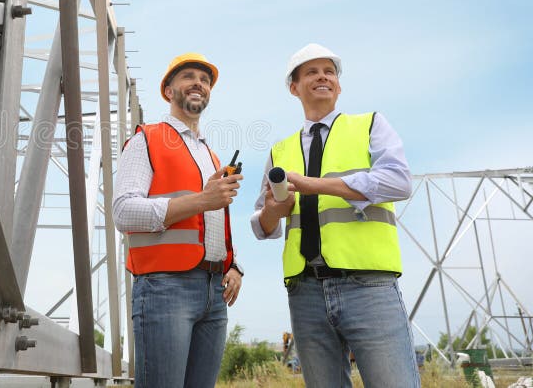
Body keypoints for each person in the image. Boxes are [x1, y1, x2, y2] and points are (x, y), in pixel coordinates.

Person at [250, 43, 419, 388]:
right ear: (294, 87)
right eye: (311, 71)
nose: (323, 77)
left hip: (367, 284)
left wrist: (315, 185)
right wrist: (273, 210)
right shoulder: (279, 152)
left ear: (338, 86)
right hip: (305, 290)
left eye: (329, 71)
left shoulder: (370, 124)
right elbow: (262, 224)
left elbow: (399, 182)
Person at [113, 52, 244, 388]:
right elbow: (123, 211)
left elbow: (210, 220)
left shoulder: (210, 154)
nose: (198, 83)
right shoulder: (147, 139)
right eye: (188, 76)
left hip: (214, 292)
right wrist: (202, 199)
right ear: (168, 91)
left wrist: (233, 265)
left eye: (204, 79)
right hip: (164, 287)